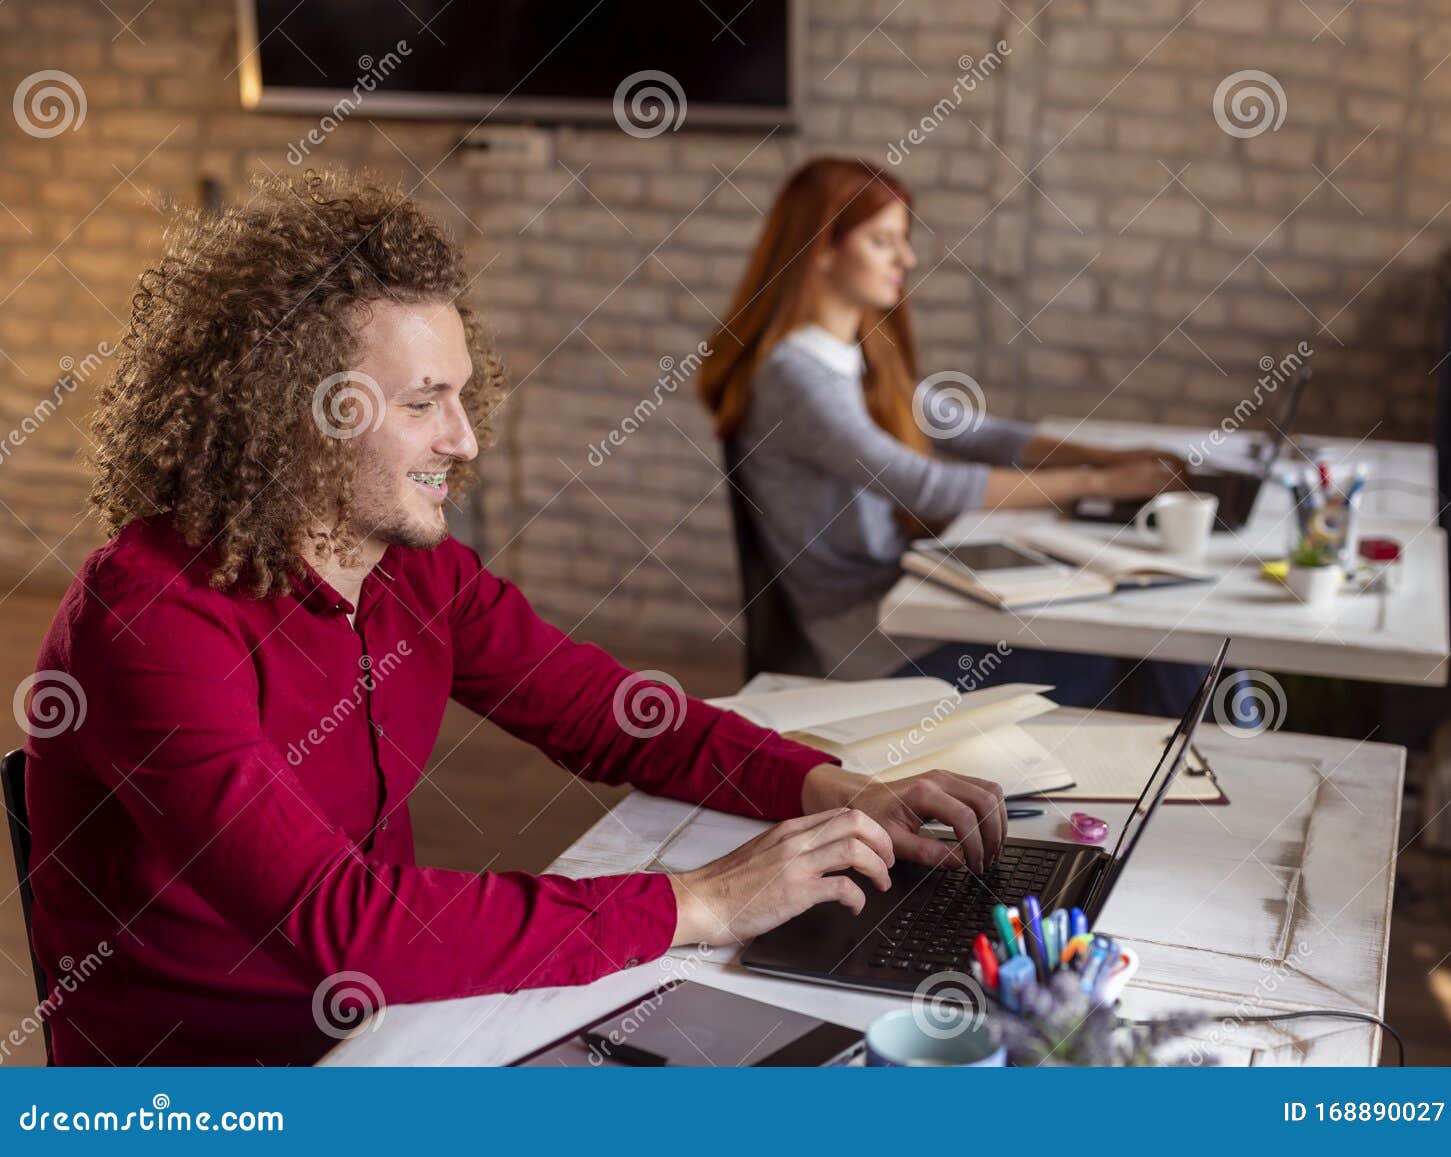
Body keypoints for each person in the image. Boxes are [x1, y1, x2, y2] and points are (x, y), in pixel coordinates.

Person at [18, 171, 1008, 1066]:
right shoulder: (150, 619)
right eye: (422, 402)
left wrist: (831, 784)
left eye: (460, 392)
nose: (466, 436)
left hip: (393, 1027)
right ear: (297, 413)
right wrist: (698, 901)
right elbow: (343, 920)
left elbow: (610, 712)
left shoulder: (418, 570)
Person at [699, 156, 1200, 711]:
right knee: (1156, 648)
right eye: (883, 241)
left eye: (903, 241)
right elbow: (925, 485)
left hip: (906, 606)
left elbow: (973, 432)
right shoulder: (794, 378)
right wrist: (1100, 484)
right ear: (820, 248)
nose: (906, 259)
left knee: (1153, 637)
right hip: (874, 647)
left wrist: (1109, 458)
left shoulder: (855, 354)